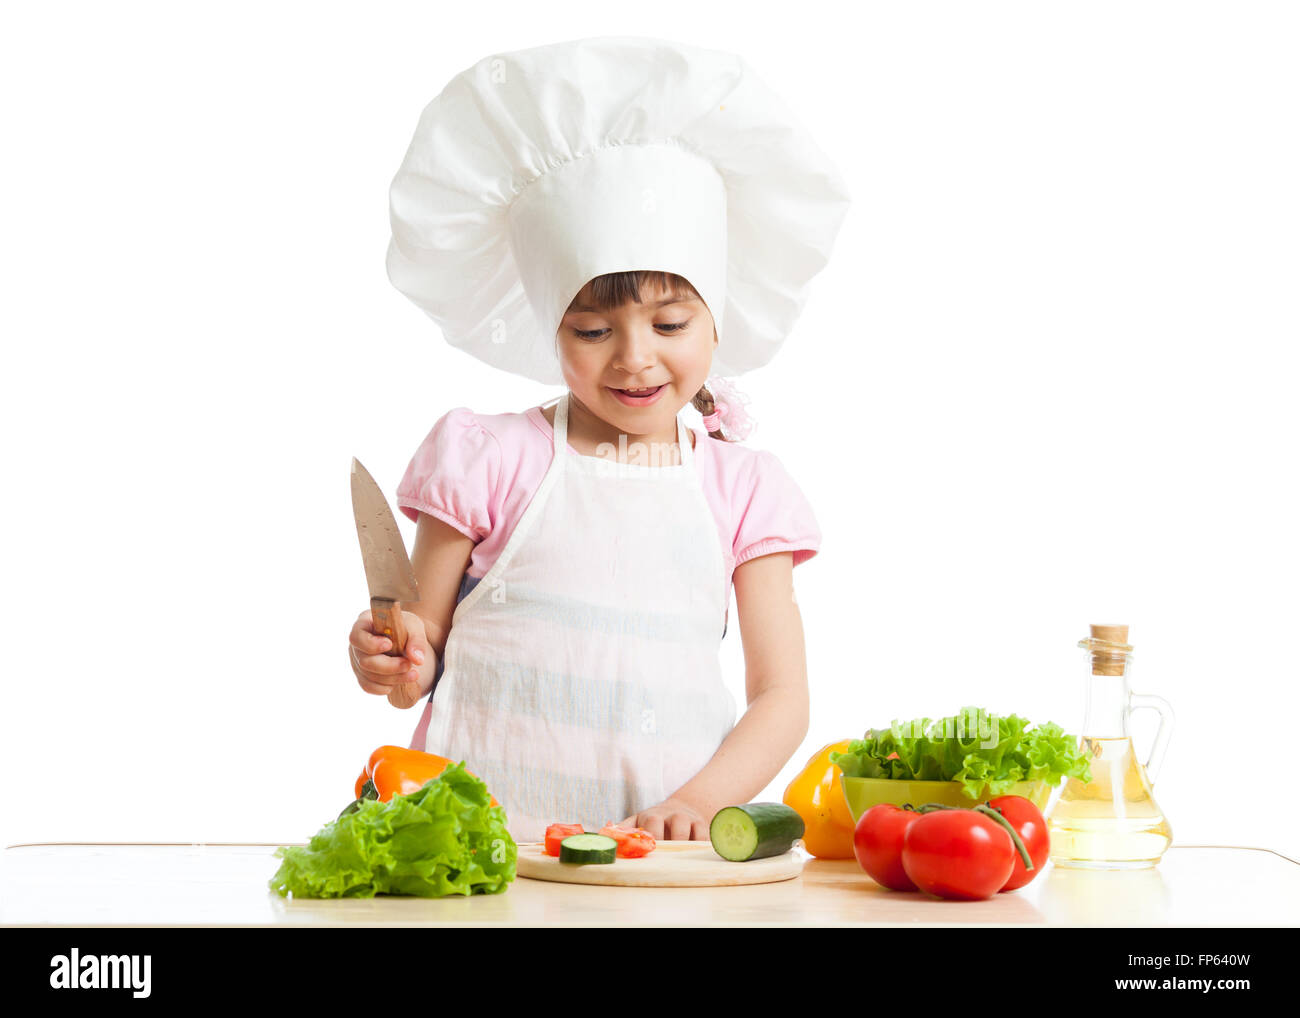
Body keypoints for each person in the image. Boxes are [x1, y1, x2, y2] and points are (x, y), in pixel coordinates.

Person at [347, 36, 850, 844]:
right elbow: (420, 655)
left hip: (660, 860)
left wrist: (698, 801)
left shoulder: (746, 490)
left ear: (719, 320)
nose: (635, 356)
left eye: (671, 322)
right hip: (482, 854)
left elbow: (782, 695)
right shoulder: (488, 460)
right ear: (551, 329)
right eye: (591, 328)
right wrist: (393, 660)